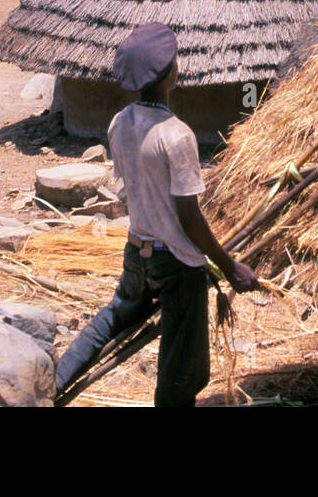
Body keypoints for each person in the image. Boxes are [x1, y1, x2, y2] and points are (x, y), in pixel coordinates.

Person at [53, 23, 259, 406]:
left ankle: (52, 384)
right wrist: (228, 265)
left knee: (111, 320)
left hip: (137, 253)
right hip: (177, 267)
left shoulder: (120, 123)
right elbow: (189, 219)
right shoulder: (176, 135)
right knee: (182, 370)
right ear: (169, 74)